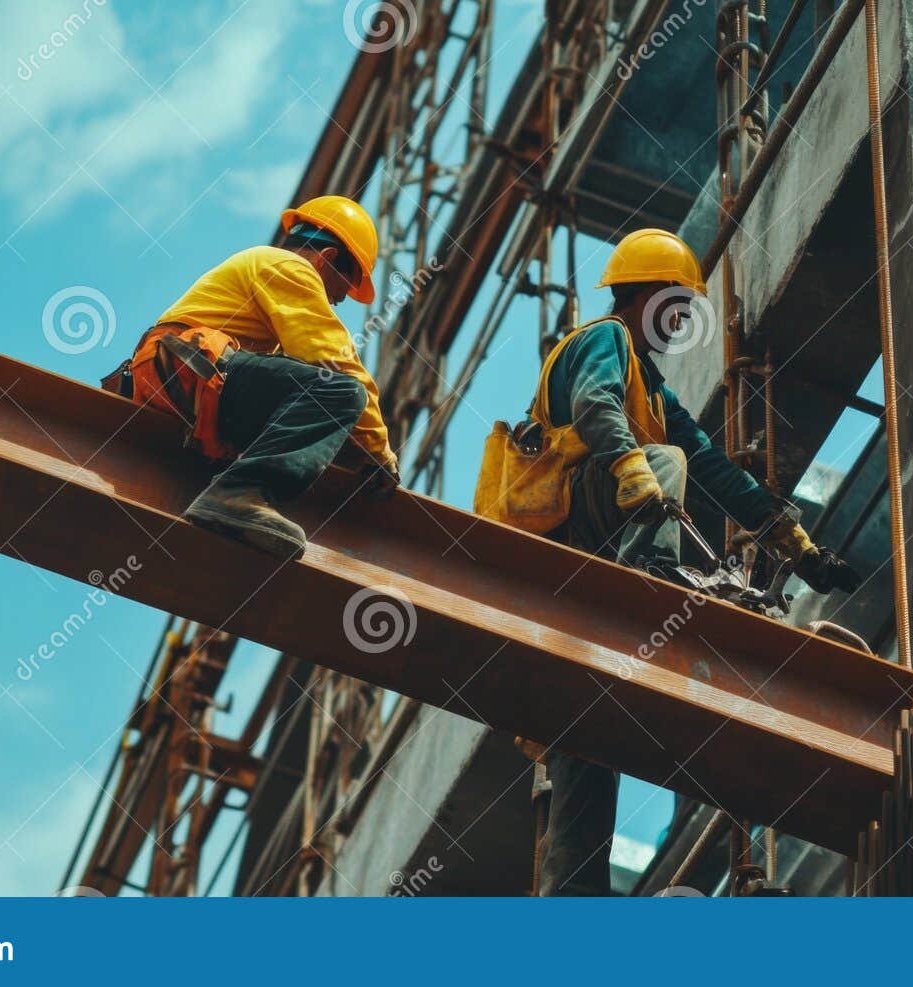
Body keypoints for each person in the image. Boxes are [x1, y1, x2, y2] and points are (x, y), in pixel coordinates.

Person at [480, 227, 860, 895]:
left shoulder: (654, 392)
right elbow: (597, 407)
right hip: (562, 515)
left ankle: (573, 899)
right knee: (666, 461)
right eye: (677, 303)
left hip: (592, 547)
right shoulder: (604, 341)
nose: (682, 318)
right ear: (646, 294)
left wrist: (794, 545)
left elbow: (715, 467)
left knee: (586, 743)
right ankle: (646, 586)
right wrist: (635, 468)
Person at [125, 194, 401, 561]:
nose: (340, 300)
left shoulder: (263, 290)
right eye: (345, 284)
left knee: (308, 406)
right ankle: (238, 494)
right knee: (343, 394)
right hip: (189, 371)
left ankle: (237, 498)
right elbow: (332, 359)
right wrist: (378, 450)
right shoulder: (287, 266)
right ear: (328, 258)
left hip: (184, 380)